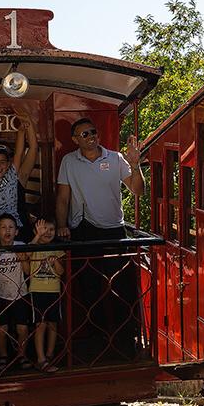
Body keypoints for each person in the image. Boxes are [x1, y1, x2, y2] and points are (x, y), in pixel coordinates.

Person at [55, 121, 144, 358]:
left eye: (93, 131)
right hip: (84, 230)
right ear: (75, 139)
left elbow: (138, 190)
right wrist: (62, 225)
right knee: (90, 287)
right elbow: (63, 198)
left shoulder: (115, 159)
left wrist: (135, 164)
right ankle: (97, 339)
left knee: (121, 286)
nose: (91, 136)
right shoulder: (69, 162)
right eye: (85, 134)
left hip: (114, 230)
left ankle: (126, 338)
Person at [0, 213, 32, 372]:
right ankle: (3, 356)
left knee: (23, 328)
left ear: (16, 231)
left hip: (20, 293)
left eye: (11, 227)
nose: (7, 230)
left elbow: (28, 271)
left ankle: (22, 355)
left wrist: (21, 258)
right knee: (2, 329)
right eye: (3, 227)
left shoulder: (21, 245)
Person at [27, 219, 65, 373]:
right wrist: (37, 236)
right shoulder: (34, 246)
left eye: (51, 229)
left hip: (54, 291)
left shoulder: (56, 249)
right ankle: (41, 359)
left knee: (53, 324)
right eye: (44, 229)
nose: (47, 232)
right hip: (37, 291)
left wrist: (55, 262)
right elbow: (27, 253)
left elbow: (61, 272)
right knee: (40, 325)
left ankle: (50, 355)